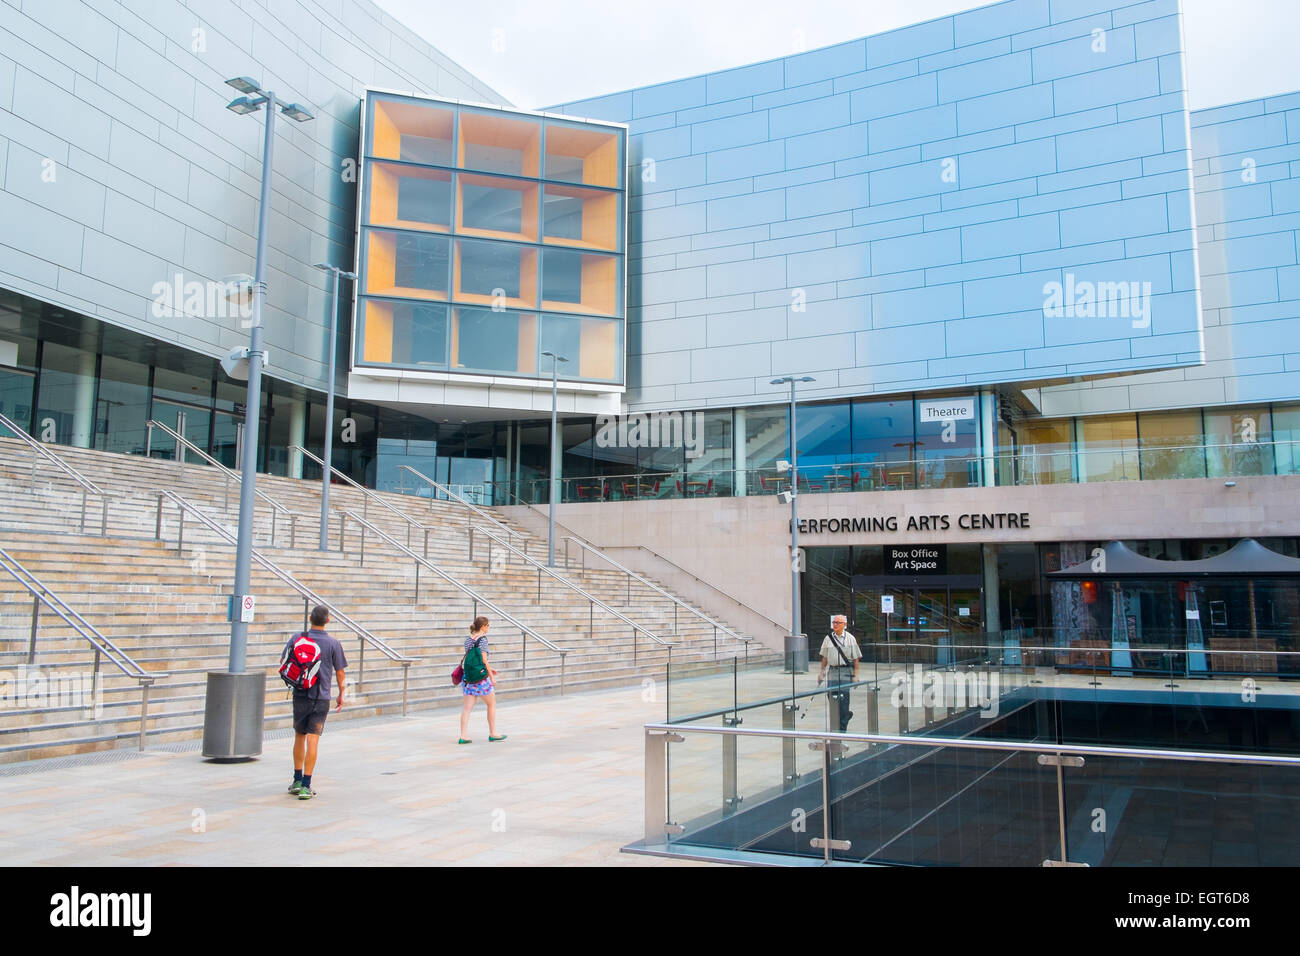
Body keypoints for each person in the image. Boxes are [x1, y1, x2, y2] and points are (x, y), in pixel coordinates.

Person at [286, 606, 347, 800]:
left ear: (310, 618)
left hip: (300, 693)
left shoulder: (297, 638)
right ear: (327, 621)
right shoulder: (333, 643)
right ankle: (306, 785)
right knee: (313, 738)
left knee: (299, 736)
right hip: (321, 696)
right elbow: (340, 672)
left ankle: (296, 779)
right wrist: (341, 694)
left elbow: (284, 660)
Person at [458, 616, 506, 744]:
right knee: (491, 704)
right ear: (483, 626)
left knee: (467, 709)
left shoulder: (468, 639)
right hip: (480, 680)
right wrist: (490, 675)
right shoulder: (483, 640)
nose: (488, 627)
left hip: (468, 678)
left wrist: (490, 669)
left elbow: (473, 659)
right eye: (488, 625)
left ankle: (463, 736)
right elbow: (484, 660)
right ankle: (493, 733)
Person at [817, 614, 861, 732]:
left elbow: (856, 659)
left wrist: (856, 676)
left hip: (846, 670)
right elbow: (825, 658)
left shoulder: (850, 638)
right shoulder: (828, 638)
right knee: (831, 696)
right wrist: (821, 673)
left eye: (838, 623)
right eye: (834, 622)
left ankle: (842, 728)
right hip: (832, 670)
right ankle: (845, 716)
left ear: (844, 625)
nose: (835, 625)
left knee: (843, 699)